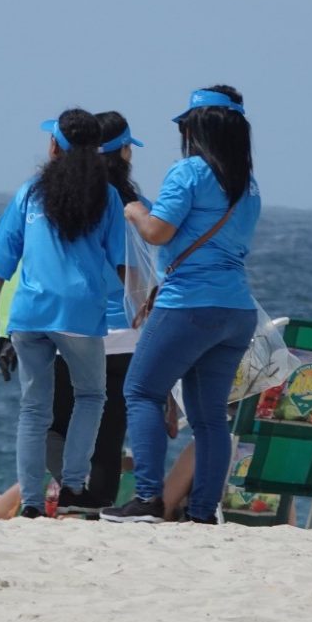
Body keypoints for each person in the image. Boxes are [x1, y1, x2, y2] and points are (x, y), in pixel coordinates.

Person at [102, 86, 261, 524]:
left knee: (141, 391)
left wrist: (134, 211)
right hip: (236, 310)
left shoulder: (188, 172)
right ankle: (204, 509)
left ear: (199, 128)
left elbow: (157, 233)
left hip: (189, 303)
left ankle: (150, 499)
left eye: (186, 125)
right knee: (209, 416)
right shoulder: (247, 184)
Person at [0, 109, 125, 519]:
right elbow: (121, 263)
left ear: (54, 146)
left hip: (28, 314)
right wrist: (131, 305)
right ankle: (73, 487)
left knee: (34, 408)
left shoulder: (30, 192)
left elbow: (0, 260)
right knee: (92, 395)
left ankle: (29, 501)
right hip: (79, 313)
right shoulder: (107, 196)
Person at [43, 109, 146, 512]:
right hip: (129, 332)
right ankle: (96, 504)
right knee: (110, 432)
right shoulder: (139, 206)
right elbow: (150, 271)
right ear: (124, 154)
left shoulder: (67, 202)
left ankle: (71, 491)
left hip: (74, 326)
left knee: (55, 425)